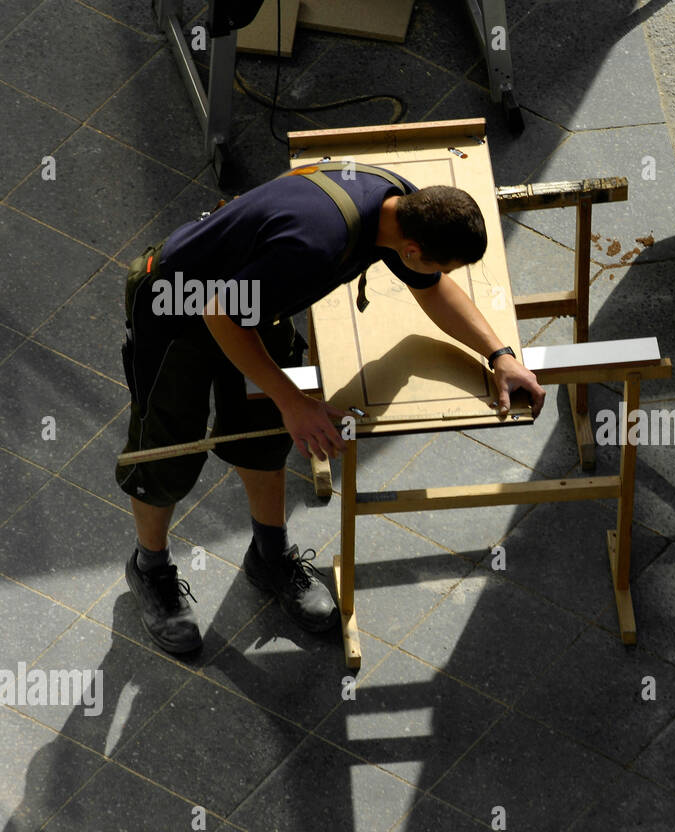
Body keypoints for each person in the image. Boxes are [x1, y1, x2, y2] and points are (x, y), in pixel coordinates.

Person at [116, 163, 544, 655]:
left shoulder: (400, 204)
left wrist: (500, 354)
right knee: (167, 452)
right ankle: (149, 567)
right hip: (177, 305)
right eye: (441, 264)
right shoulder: (313, 247)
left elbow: (431, 289)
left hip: (250, 301)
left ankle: (269, 556)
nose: (442, 276)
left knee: (263, 436)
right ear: (411, 251)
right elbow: (218, 311)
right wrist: (294, 402)